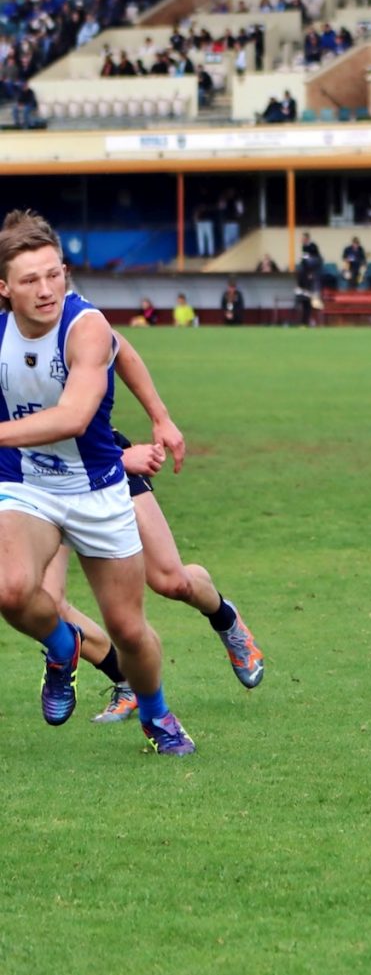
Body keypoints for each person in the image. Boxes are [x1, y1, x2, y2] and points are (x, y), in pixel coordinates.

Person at [0, 209, 193, 754]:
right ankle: (63, 647)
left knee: (130, 631)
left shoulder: (84, 327)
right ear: (4, 289)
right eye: (30, 280)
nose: (46, 289)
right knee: (10, 590)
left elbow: (74, 416)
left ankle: (157, 717)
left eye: (54, 274)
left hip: (97, 487)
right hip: (27, 484)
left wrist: (159, 414)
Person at [47, 334, 265, 722]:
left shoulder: (68, 318)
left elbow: (121, 350)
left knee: (170, 580)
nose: (44, 287)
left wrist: (158, 419)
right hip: (39, 482)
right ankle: (126, 680)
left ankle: (225, 618)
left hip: (105, 465)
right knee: (43, 603)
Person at [296, 232, 322, 326]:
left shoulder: (312, 246)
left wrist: (311, 272)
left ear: (307, 238)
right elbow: (304, 260)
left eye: (303, 238)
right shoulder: (303, 247)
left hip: (314, 265)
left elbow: (315, 259)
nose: (302, 240)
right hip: (307, 271)